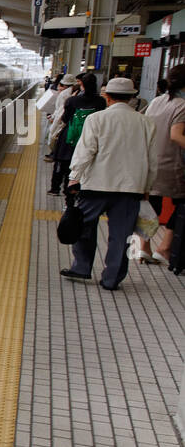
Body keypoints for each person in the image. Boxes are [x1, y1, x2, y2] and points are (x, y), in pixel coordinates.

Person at [61, 76, 157, 291]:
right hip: (131, 188)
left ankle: (82, 267)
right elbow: (152, 161)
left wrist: (74, 178)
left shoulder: (96, 119)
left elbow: (85, 151)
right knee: (121, 236)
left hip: (96, 184)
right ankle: (112, 279)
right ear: (132, 97)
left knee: (84, 226)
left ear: (107, 97)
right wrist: (147, 188)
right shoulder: (146, 123)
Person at [141, 64, 185, 263]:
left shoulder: (157, 101)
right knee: (182, 204)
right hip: (173, 164)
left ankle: (144, 248)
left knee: (152, 206)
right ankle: (165, 247)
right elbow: (176, 135)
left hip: (150, 161)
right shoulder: (182, 105)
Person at [49, 73, 103, 194]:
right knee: (85, 162)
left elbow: (65, 119)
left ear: (81, 85)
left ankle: (55, 188)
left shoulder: (72, 100)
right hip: (91, 137)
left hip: (70, 137)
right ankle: (74, 190)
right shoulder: (101, 101)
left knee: (62, 163)